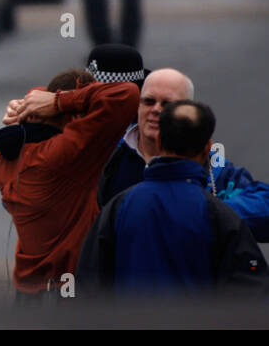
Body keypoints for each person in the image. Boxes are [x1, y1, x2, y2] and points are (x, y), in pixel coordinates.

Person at [0, 45, 142, 304]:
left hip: (28, 295)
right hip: (68, 293)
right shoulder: (65, 156)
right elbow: (126, 94)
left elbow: (38, 99)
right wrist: (61, 101)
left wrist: (33, 104)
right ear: (74, 117)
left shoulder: (2, 159)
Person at [77, 101, 267, 297]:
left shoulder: (118, 207)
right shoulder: (219, 216)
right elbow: (251, 294)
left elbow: (89, 285)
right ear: (207, 148)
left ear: (159, 141)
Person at [97, 68, 269, 239]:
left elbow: (264, 207)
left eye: (167, 104)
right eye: (149, 101)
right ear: (138, 106)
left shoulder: (212, 167)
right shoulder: (105, 155)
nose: (156, 109)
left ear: (187, 111)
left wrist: (202, 213)